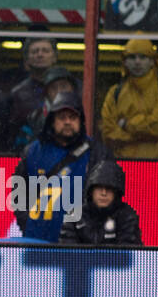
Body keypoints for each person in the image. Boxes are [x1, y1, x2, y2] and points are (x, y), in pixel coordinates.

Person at [13, 89, 107, 242]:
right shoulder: (33, 151)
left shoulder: (96, 153)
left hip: (78, 245)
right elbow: (18, 194)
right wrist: (29, 224)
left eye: (73, 117)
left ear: (80, 120)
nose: (68, 122)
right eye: (62, 117)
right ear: (52, 120)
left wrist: (86, 231)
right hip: (37, 241)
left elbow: (107, 197)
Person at [100, 37, 158, 158]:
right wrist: (146, 129)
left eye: (143, 57)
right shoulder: (115, 92)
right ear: (125, 62)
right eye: (132, 57)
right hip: (125, 166)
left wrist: (126, 125)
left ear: (152, 61)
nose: (137, 62)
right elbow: (107, 132)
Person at [58, 159, 143, 246]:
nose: (103, 193)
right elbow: (67, 252)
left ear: (116, 193)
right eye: (99, 188)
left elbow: (127, 252)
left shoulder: (127, 216)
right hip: (80, 260)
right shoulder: (74, 215)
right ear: (91, 191)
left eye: (109, 189)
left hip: (114, 260)